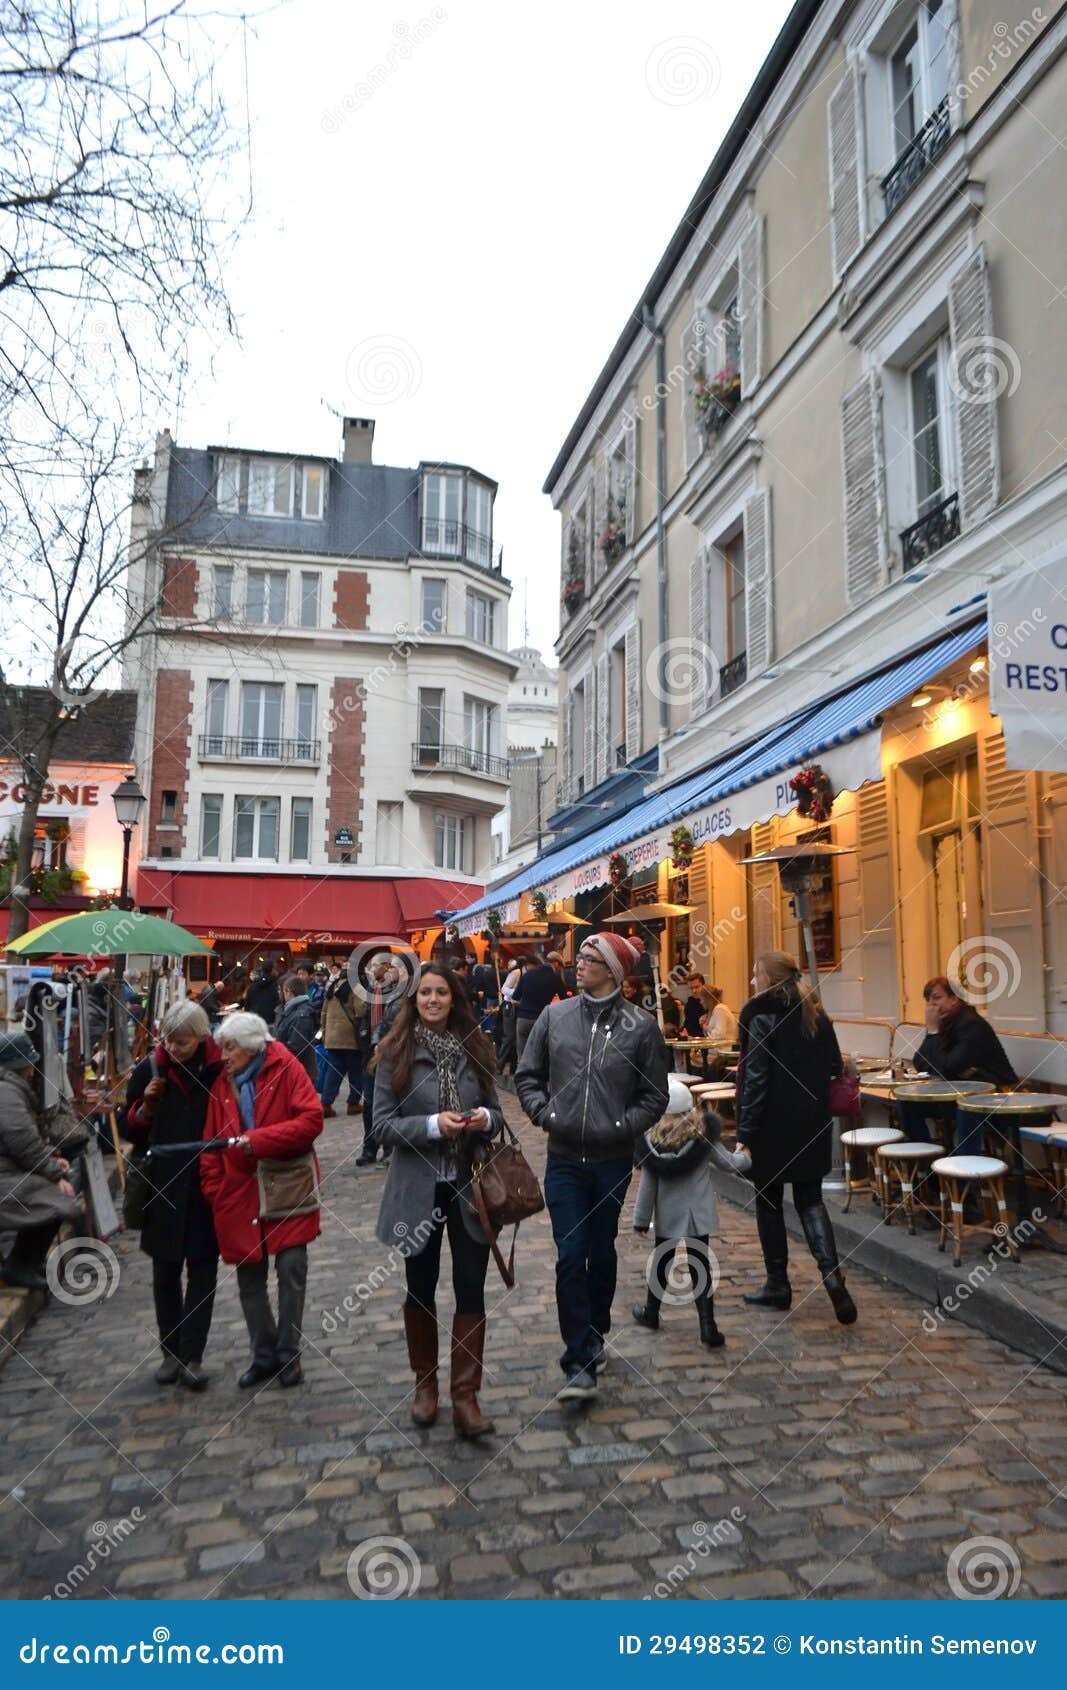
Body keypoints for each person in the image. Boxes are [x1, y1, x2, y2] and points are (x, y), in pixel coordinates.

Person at [516, 932, 669, 1401]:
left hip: (611, 1162)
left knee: (600, 1254)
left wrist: (624, 1125)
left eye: (590, 958)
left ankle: (595, 1332)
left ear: (613, 970)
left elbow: (655, 1095)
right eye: (580, 957)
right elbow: (528, 1075)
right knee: (569, 1255)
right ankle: (577, 1361)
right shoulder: (554, 1016)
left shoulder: (640, 1028)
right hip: (564, 1159)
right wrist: (545, 1113)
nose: (578, 964)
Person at [374, 965, 503, 1439]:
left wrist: (482, 1117)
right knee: (420, 1287)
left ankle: (465, 1396)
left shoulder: (477, 1046)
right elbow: (381, 1125)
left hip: (469, 1188)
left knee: (471, 1287)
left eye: (441, 992)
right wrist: (432, 1126)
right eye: (425, 992)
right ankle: (425, 1384)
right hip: (418, 1188)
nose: (432, 999)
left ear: (454, 998)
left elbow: (499, 1115)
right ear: (414, 1000)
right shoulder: (394, 1052)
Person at [201, 1012, 324, 1388]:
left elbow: (311, 1120)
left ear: (253, 1046)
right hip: (238, 1194)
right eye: (223, 1047)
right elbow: (210, 1143)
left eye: (231, 1047)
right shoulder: (223, 1082)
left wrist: (260, 1142)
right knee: (249, 1277)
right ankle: (263, 1354)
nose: (224, 1055)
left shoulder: (285, 1067)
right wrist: (215, 1189)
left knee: (291, 1269)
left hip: (287, 1185)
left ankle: (289, 1353)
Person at [736, 952, 857, 1326]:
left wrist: (745, 1133)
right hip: (812, 1121)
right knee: (810, 1199)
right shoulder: (816, 1013)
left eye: (756, 974)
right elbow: (836, 1066)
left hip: (772, 1123)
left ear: (769, 978)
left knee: (768, 1201)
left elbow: (755, 1079)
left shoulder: (759, 1015)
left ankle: (777, 1284)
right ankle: (832, 1276)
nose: (754, 981)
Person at [123, 1002, 223, 1390]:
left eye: (183, 1041)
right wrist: (146, 1107)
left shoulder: (217, 1070)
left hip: (204, 1180)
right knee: (164, 1271)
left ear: (201, 1038)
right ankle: (170, 1351)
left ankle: (193, 1354)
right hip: (162, 1180)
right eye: (170, 1040)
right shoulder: (150, 1069)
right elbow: (128, 1131)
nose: (175, 1048)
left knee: (202, 1270)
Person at [631, 1077, 750, 1348]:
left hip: (668, 1217)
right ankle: (708, 1326)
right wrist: (746, 1155)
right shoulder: (702, 1138)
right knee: (701, 1266)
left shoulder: (652, 1145)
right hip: (697, 1214)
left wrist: (640, 1220)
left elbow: (647, 1189)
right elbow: (729, 1164)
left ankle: (652, 1312)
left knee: (662, 1263)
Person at [0, 1031, 83, 1292]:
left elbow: (28, 1141)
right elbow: (22, 1141)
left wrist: (52, 1159)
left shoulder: (10, 1089)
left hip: (9, 1172)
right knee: (58, 1202)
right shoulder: (7, 1093)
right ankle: (20, 1265)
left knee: (57, 1196)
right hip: (5, 1178)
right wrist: (53, 1173)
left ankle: (27, 1261)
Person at [898, 975, 1017, 1145]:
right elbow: (921, 1062)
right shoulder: (942, 1024)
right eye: (928, 1000)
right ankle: (924, 1159)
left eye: (937, 998)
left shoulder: (971, 1024)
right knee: (907, 1101)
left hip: (996, 1096)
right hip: (959, 1092)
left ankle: (964, 1167)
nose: (931, 1005)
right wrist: (932, 1032)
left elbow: (946, 1067)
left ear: (954, 999)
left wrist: (944, 1062)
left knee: (966, 1107)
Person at [318, 964, 366, 1124]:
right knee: (355, 1071)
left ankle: (326, 1103)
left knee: (333, 1072)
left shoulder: (332, 986)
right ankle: (353, 1102)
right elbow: (360, 1011)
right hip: (350, 1037)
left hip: (332, 1037)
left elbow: (323, 1012)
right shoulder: (356, 987)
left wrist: (325, 1033)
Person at [512, 951, 560, 1060]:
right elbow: (564, 998)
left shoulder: (527, 976)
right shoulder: (554, 978)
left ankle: (522, 1073)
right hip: (542, 1019)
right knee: (539, 1053)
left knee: (522, 1054)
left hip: (523, 1019)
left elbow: (515, 996)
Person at [274, 971, 319, 1081]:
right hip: (294, 1070)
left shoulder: (301, 1015)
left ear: (289, 992)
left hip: (299, 1072)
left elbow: (296, 1047)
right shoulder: (292, 1010)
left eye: (283, 991)